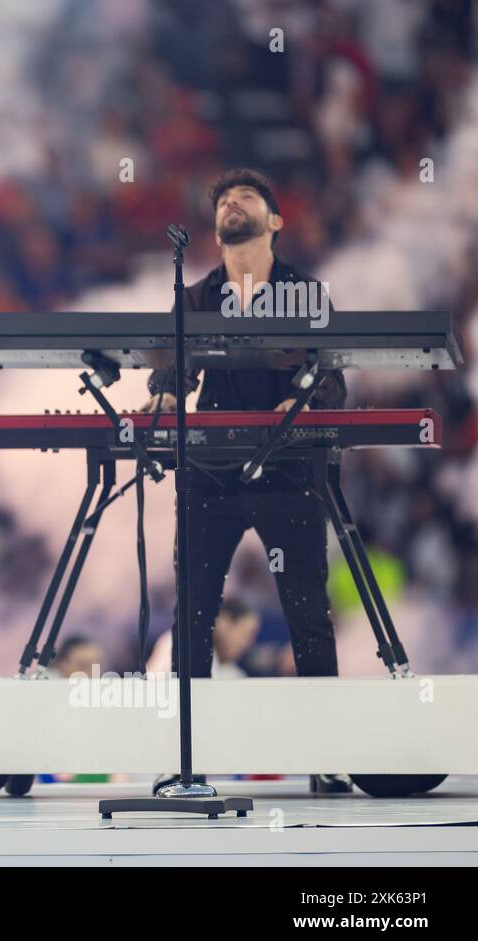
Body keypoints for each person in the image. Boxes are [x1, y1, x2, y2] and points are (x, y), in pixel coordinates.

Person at [141, 171, 350, 792]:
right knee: (193, 613)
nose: (232, 204)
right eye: (224, 202)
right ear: (215, 230)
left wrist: (302, 405)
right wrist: (164, 393)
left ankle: (326, 755)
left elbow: (331, 382)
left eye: (247, 198)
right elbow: (172, 378)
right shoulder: (197, 297)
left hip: (289, 470)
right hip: (210, 471)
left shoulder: (307, 293)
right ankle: (189, 759)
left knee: (308, 612)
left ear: (276, 223)